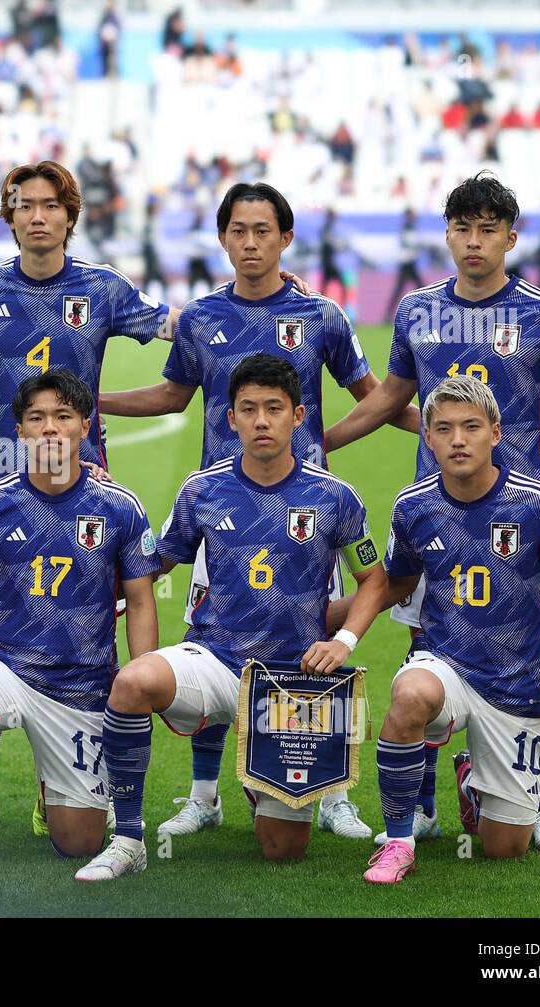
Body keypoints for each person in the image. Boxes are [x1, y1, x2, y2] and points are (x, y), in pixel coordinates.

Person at [99, 181, 419, 842]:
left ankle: (330, 796)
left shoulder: (323, 316)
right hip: (218, 514)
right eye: (238, 230)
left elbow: (376, 396)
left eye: (262, 230)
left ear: (285, 237)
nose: (250, 242)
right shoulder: (199, 317)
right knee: (215, 645)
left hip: (307, 517)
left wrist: (438, 431)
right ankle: (203, 794)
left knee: (313, 651)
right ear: (222, 238)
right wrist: (93, 405)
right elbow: (170, 394)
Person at [325, 172, 540, 852]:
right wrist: (320, 440)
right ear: (447, 234)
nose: (474, 242)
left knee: (539, 656)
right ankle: (419, 810)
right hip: (434, 515)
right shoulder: (417, 310)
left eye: (487, 229)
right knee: (425, 649)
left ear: (510, 236)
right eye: (462, 228)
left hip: (524, 521)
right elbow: (391, 395)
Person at [76, 354, 388, 881]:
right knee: (133, 682)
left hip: (294, 682)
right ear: (231, 419)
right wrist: (94, 497)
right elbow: (152, 562)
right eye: (249, 409)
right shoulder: (202, 489)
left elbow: (374, 579)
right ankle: (128, 838)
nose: (261, 420)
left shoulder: (336, 498)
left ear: (299, 416)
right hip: (215, 660)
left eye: (273, 408)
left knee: (283, 849)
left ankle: (260, 773)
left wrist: (345, 641)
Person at [0, 160, 171, 829]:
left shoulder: (103, 287)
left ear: (70, 214)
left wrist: (251, 296)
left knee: (76, 629)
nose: (37, 216)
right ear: (9, 216)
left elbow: (175, 325)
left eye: (49, 205)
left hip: (86, 485)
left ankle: (56, 784)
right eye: (24, 206)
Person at [0, 369, 159, 881]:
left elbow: (140, 599)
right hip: (5, 668)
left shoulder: (119, 506)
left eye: (62, 417)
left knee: (79, 843)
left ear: (84, 426)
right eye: (36, 418)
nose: (49, 429)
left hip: (81, 686)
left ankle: (57, 794)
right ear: (18, 431)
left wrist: (142, 669)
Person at [362, 376, 540, 883]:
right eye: (443, 428)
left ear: (496, 432)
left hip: (516, 685)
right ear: (427, 437)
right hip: (446, 666)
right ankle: (400, 839)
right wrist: (338, 626)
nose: (458, 440)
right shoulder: (414, 506)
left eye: (471, 427)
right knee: (409, 694)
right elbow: (395, 581)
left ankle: (473, 783)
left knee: (504, 849)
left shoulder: (539, 503)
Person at [385, 208, 426, 321]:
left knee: (401, 290)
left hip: (408, 263)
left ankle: (387, 315)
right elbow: (413, 243)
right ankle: (430, 313)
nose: (415, 217)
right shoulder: (407, 227)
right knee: (421, 288)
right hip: (407, 263)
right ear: (408, 215)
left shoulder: (408, 227)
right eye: (412, 214)